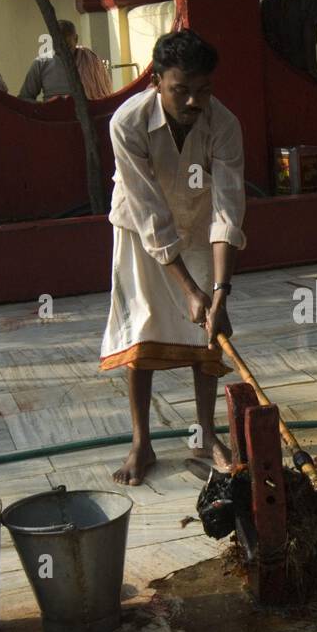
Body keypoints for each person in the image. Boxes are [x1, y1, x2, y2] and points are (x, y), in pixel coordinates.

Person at [99, 30, 245, 486]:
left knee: (207, 336)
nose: (193, 100)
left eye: (203, 90)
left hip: (199, 225)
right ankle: (142, 443)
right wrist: (189, 289)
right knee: (144, 331)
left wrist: (218, 292)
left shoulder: (224, 125)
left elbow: (227, 209)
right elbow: (150, 215)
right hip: (140, 230)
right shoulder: (127, 123)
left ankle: (204, 436)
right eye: (181, 89)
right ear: (158, 81)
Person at [19, 19, 114, 101]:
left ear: (76, 39)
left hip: (85, 117)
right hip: (53, 119)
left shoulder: (90, 60)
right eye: (58, 44)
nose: (62, 50)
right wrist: (44, 108)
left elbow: (104, 95)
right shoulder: (41, 63)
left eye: (67, 45)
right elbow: (25, 98)